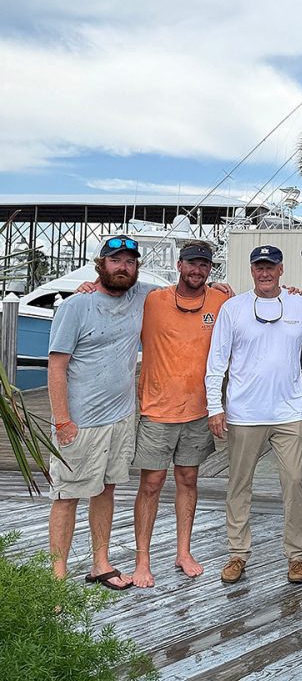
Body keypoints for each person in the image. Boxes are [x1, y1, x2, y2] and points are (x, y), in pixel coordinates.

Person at [206, 245, 302, 586]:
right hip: (244, 414)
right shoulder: (232, 309)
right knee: (238, 484)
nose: (265, 273)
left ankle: (296, 556)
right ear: (251, 270)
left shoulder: (300, 303)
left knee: (293, 483)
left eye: (271, 267)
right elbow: (216, 362)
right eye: (259, 266)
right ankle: (237, 553)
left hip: (290, 412)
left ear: (281, 270)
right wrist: (213, 407)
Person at [48, 235, 152, 589]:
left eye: (130, 261)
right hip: (80, 422)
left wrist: (218, 285)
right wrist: (62, 420)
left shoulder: (141, 295)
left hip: (121, 417)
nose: (123, 267)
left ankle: (100, 562)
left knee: (106, 490)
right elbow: (57, 366)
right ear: (101, 265)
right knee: (66, 496)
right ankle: (57, 578)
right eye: (115, 260)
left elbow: (185, 289)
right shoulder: (77, 305)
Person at [131, 241, 229, 588]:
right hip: (156, 410)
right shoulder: (152, 299)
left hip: (198, 411)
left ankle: (183, 552)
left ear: (210, 269)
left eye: (204, 265)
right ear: (179, 265)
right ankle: (142, 559)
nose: (197, 270)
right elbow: (115, 288)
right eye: (191, 264)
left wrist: (289, 291)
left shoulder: (221, 301)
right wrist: (89, 286)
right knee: (152, 483)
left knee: (188, 479)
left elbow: (256, 307)